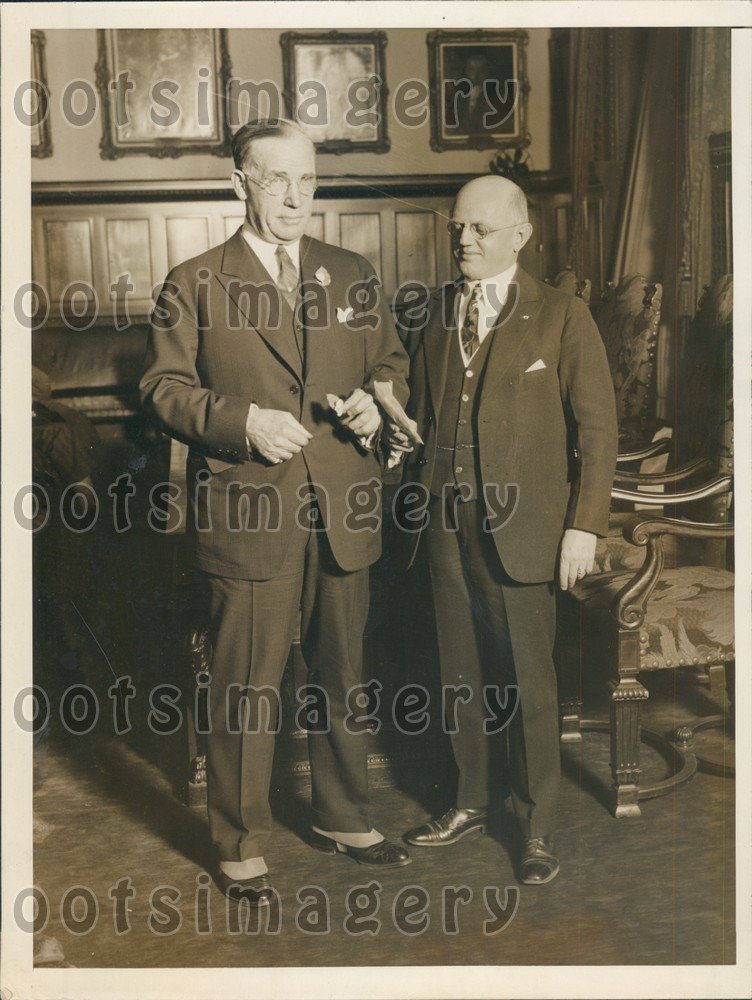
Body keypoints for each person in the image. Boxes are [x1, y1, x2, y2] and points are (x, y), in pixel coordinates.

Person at [140, 119, 411, 906]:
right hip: (249, 509)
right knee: (246, 685)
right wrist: (244, 422)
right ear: (240, 184)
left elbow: (390, 365)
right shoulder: (194, 281)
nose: (295, 197)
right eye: (276, 180)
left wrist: (378, 403)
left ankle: (344, 816)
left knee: (342, 670)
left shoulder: (351, 272)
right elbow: (162, 389)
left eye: (307, 180)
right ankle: (238, 840)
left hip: (343, 503)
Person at [390, 175, 617, 885]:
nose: (464, 240)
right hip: (441, 522)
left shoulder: (562, 314)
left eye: (480, 229)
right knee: (457, 671)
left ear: (520, 235)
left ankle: (536, 824)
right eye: (457, 227)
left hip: (525, 530)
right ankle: (469, 801)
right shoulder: (430, 312)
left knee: (527, 680)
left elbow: (598, 431)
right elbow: (416, 412)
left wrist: (584, 527)